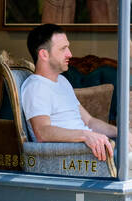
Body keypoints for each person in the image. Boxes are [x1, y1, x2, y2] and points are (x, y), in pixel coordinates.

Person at [20, 23, 118, 163]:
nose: (70, 54)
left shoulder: (62, 82)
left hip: (91, 149)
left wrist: (121, 133)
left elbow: (89, 121)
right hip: (75, 155)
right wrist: (85, 136)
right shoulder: (36, 87)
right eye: (63, 49)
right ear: (44, 54)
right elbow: (42, 132)